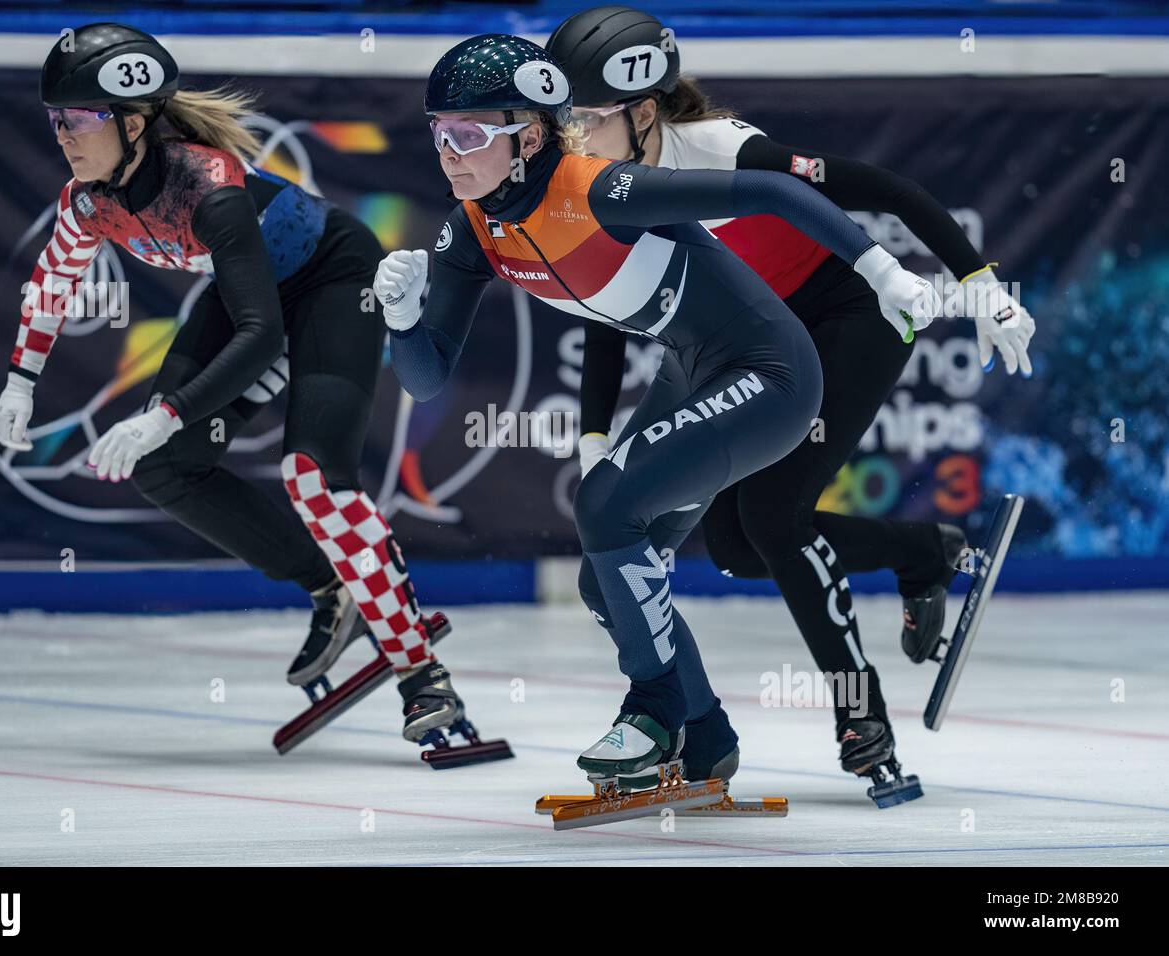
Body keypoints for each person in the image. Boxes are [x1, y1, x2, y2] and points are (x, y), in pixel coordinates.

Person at [374, 33, 937, 792]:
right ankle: (704, 737)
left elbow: (775, 191)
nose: (449, 152)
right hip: (694, 374)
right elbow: (427, 379)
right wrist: (404, 320)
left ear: (530, 134)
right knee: (603, 582)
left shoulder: (602, 189)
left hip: (769, 375)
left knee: (605, 506)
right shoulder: (471, 227)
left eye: (469, 133)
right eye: (439, 132)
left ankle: (654, 704)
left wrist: (881, 270)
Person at [546, 5, 1036, 782]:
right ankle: (924, 552)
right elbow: (602, 309)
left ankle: (860, 711)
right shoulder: (601, 182)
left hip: (845, 315)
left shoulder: (723, 148)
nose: (571, 136)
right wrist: (595, 439)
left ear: (644, 112)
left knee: (773, 516)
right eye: (563, 118)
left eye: (587, 118)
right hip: (751, 342)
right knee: (738, 547)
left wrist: (979, 281)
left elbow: (889, 189)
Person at [0, 22, 474, 746]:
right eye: (55, 119)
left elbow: (262, 337)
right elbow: (52, 285)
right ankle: (330, 584)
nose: (64, 136)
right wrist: (20, 381)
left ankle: (423, 677)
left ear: (133, 120)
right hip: (250, 292)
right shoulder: (88, 200)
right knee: (165, 466)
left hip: (333, 281)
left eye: (79, 119)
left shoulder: (208, 187)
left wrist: (165, 412)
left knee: (314, 477)